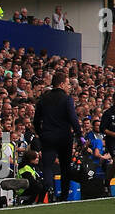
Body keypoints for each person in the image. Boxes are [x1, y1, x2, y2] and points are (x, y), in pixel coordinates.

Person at [32, 71, 81, 201]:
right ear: (61, 84)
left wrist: (40, 133)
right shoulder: (67, 99)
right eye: (67, 84)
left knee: (47, 166)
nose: (69, 86)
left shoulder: (44, 98)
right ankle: (64, 196)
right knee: (65, 167)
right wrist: (79, 135)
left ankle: (48, 186)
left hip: (48, 137)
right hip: (64, 137)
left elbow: (36, 120)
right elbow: (73, 118)